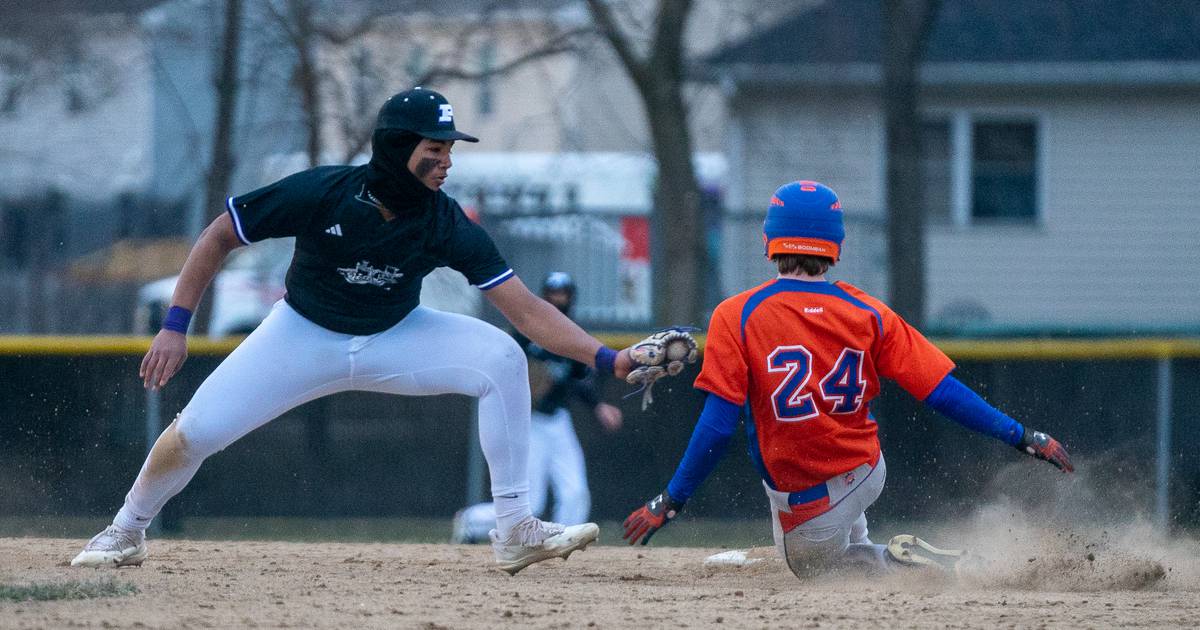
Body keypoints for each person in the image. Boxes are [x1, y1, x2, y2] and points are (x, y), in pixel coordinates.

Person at [70, 87, 692, 576]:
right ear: (396, 147)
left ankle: (514, 529)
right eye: (435, 148)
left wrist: (608, 359)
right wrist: (175, 326)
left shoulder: (445, 221)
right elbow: (219, 236)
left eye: (450, 149)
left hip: (396, 336)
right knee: (194, 434)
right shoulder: (325, 192)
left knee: (503, 357)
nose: (447, 161)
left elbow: (526, 311)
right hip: (300, 335)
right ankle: (125, 530)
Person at [621, 180, 1073, 577]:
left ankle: (907, 565)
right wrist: (1021, 435)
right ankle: (869, 545)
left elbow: (718, 426)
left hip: (809, 495)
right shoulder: (869, 312)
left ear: (769, 240)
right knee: (845, 537)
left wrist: (672, 498)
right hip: (866, 469)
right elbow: (942, 392)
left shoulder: (737, 314)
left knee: (817, 569)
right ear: (835, 244)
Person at [452, 272, 623, 543]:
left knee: (575, 493)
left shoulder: (573, 334)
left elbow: (579, 379)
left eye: (563, 294)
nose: (558, 299)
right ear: (544, 295)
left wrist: (598, 405)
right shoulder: (525, 332)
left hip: (558, 420)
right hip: (529, 422)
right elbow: (502, 365)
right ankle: (472, 522)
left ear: (571, 297)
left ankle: (562, 543)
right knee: (532, 503)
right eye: (553, 293)